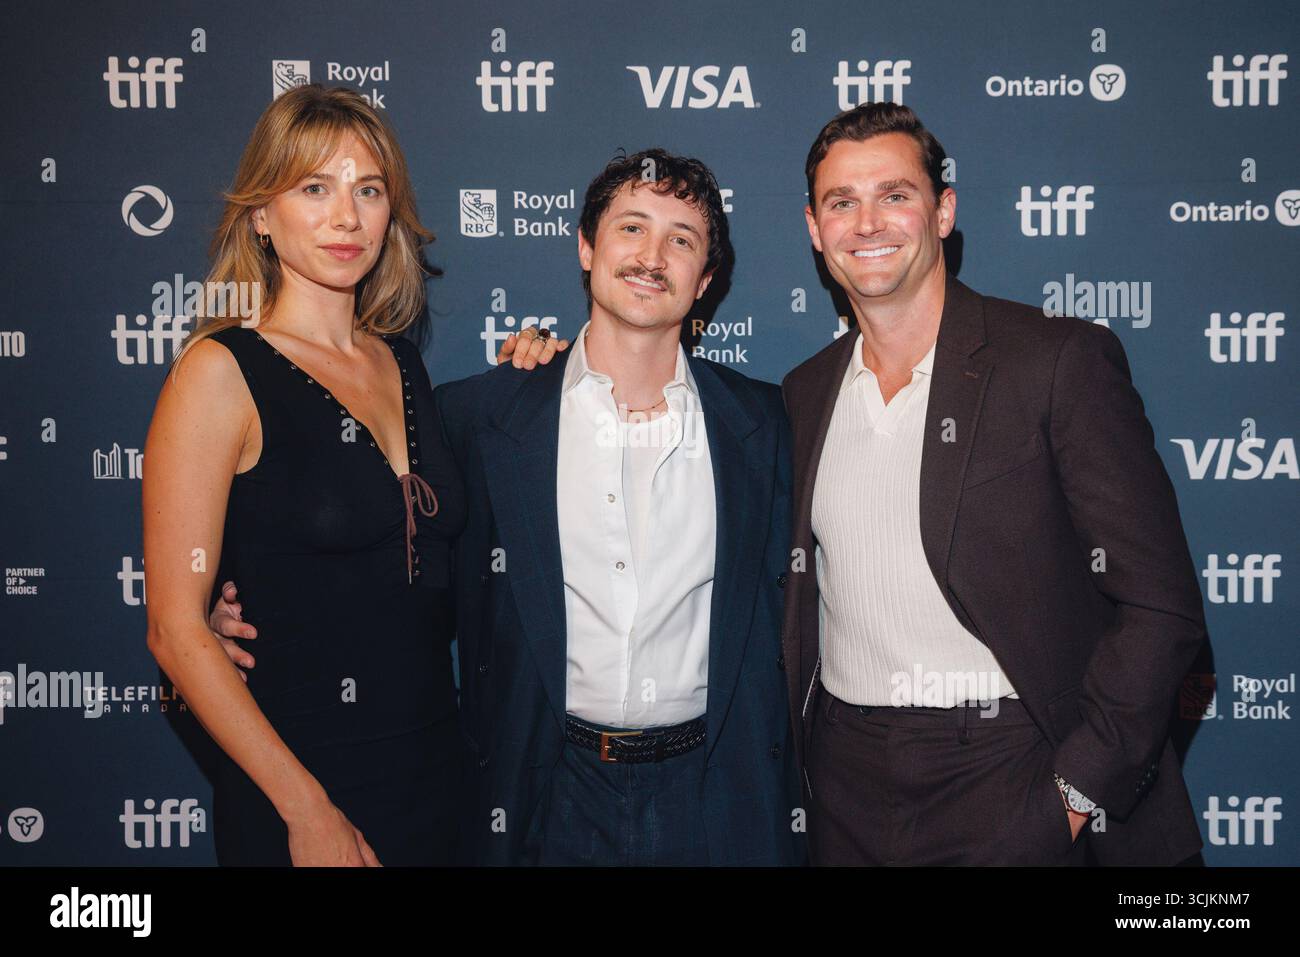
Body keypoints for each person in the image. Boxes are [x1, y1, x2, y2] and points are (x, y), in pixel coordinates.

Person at [143, 84, 562, 867]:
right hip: (298, 781)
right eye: (314, 188)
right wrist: (308, 812)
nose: (346, 217)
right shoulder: (220, 372)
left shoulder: (398, 361)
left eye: (368, 190)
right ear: (261, 214)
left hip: (435, 771)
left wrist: (542, 369)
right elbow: (174, 626)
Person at [781, 102, 1207, 865]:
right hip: (843, 780)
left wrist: (1073, 796)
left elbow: (1160, 605)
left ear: (943, 211)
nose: (868, 221)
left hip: (1013, 766)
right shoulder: (801, 394)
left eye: (896, 194)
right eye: (842, 202)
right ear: (815, 229)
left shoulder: (1055, 360)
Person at [437, 149, 803, 865]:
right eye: (631, 227)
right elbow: (408, 591)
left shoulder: (767, 425)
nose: (651, 255)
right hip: (547, 791)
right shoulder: (482, 418)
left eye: (681, 239)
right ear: (585, 246)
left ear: (705, 280)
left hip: (717, 792)